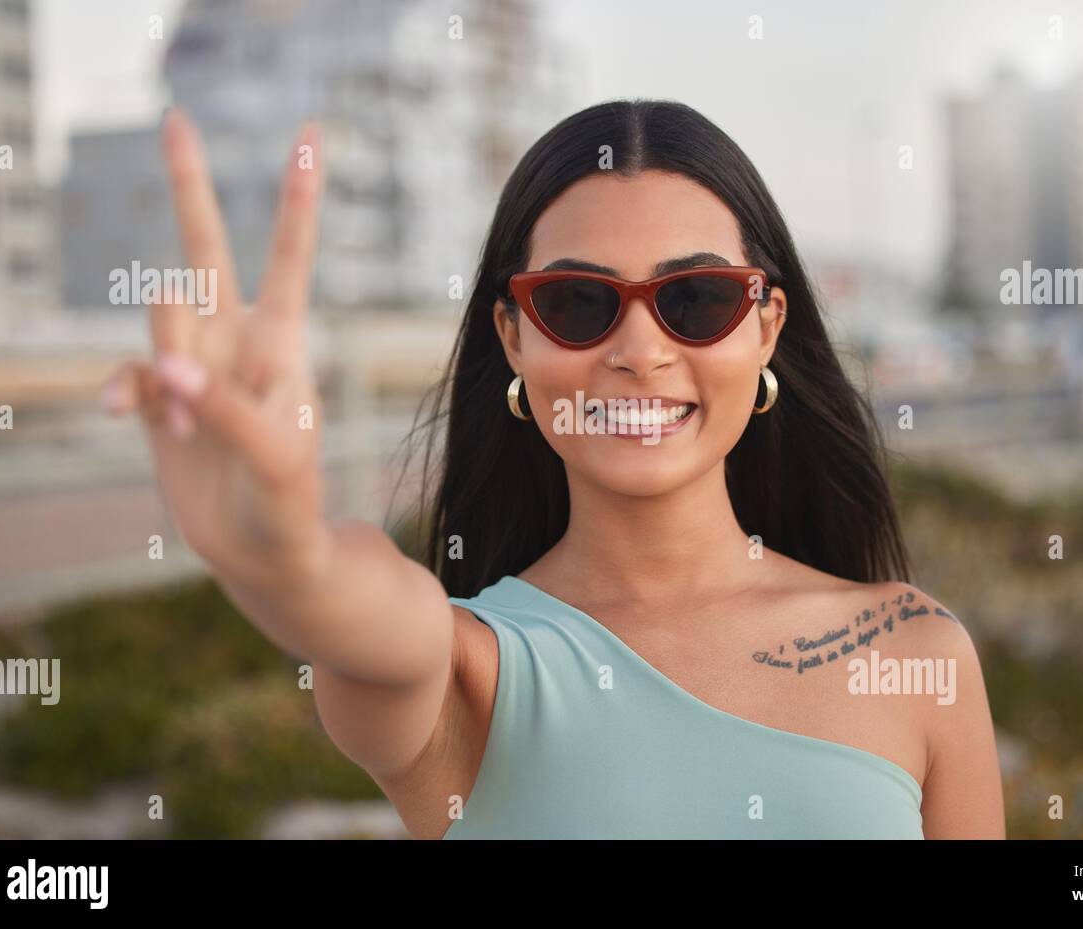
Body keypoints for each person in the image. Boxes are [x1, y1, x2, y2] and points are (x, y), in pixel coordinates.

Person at [104, 99, 1005, 839]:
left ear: (765, 324)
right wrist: (287, 558)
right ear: (514, 337)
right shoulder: (470, 676)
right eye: (579, 303)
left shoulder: (916, 652)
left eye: (697, 298)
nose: (640, 350)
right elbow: (366, 616)